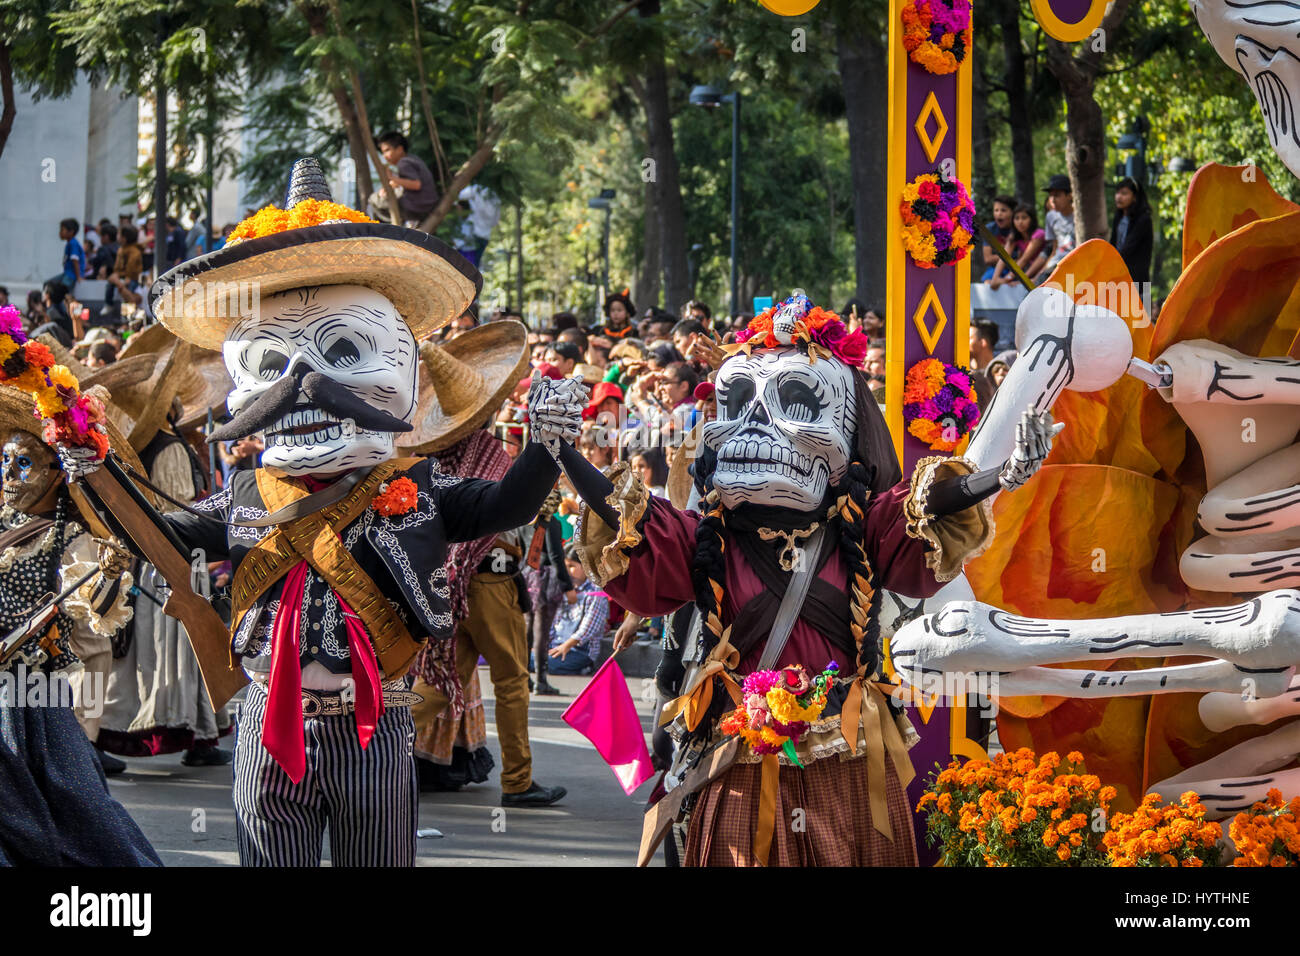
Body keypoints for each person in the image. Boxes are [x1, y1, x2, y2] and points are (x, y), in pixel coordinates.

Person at [60, 158, 583, 863]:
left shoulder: (418, 487)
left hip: (375, 731)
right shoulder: (246, 493)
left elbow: (505, 503)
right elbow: (160, 532)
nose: (304, 384)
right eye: (271, 364)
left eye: (342, 350)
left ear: (402, 371)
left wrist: (546, 445)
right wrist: (90, 474)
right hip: (264, 730)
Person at [559, 293, 1059, 867]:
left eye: (795, 401)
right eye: (737, 401)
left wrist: (1003, 475)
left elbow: (927, 508)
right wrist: (562, 454)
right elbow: (634, 526)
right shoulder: (708, 536)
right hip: (740, 764)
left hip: (846, 765)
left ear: (849, 437)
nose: (755, 427)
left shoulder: (865, 530)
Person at [0, 358, 158, 864]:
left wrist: (111, 572)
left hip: (33, 704)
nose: (7, 474)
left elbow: (97, 614)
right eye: (3, 460)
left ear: (54, 473)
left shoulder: (72, 540)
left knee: (78, 818)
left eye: (22, 463)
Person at [546, 546, 608, 676]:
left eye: (572, 566)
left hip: (579, 650)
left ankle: (583, 667)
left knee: (545, 664)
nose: (567, 572)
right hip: (557, 645)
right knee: (527, 657)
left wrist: (566, 645)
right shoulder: (563, 589)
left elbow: (589, 627)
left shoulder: (596, 591)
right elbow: (553, 620)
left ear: (586, 567)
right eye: (565, 567)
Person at [371, 131, 440, 226]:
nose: (384, 156)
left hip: (418, 207)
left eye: (387, 150)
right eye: (383, 152)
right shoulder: (412, 158)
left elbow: (416, 184)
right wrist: (392, 184)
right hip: (428, 204)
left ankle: (387, 227)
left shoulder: (404, 163)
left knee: (374, 199)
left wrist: (392, 178)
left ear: (399, 149)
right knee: (387, 195)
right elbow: (407, 182)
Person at [1109, 176, 1154, 285]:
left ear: (1135, 197)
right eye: (1118, 193)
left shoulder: (1143, 219)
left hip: (1137, 278)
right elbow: (1113, 243)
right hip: (1118, 276)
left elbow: (1129, 247)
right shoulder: (1118, 218)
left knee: (1141, 301)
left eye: (1124, 193)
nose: (1119, 197)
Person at [988, 204, 1045, 288]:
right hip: (1026, 271)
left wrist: (1008, 278)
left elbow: (1024, 259)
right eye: (1017, 218)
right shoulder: (1014, 236)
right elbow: (1004, 257)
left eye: (1024, 218)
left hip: (1042, 271)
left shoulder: (1039, 234)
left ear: (1032, 220)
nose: (1020, 222)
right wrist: (995, 278)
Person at [1042, 175, 1076, 273]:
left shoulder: (1080, 216)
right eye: (1050, 195)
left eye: (1057, 195)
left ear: (1070, 195)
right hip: (1057, 263)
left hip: (1076, 263)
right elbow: (1055, 248)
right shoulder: (1050, 216)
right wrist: (1042, 272)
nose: (1052, 199)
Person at [981, 195, 1017, 280]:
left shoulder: (1018, 229)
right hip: (995, 269)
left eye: (1003, 210)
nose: (999, 214)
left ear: (1013, 213)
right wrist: (1013, 257)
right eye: (996, 210)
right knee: (986, 280)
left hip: (1018, 269)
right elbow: (988, 259)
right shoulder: (990, 229)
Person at [57, 218, 86, 291]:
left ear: (71, 232)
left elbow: (75, 260)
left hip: (71, 275)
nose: (60, 232)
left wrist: (78, 276)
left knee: (61, 291)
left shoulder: (73, 244)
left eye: (62, 230)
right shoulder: (70, 243)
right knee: (49, 284)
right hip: (67, 273)